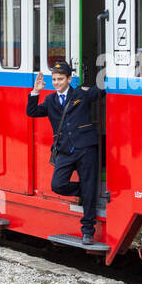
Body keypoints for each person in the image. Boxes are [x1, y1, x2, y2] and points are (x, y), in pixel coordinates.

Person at [27, 60, 105, 244]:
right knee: (58, 184)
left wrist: (113, 70)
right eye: (54, 79)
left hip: (86, 147)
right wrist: (36, 91)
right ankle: (86, 192)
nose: (56, 83)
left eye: (60, 79)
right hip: (64, 150)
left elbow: (100, 90)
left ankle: (88, 231)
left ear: (69, 79)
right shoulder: (50, 100)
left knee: (88, 185)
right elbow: (31, 112)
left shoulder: (80, 94)